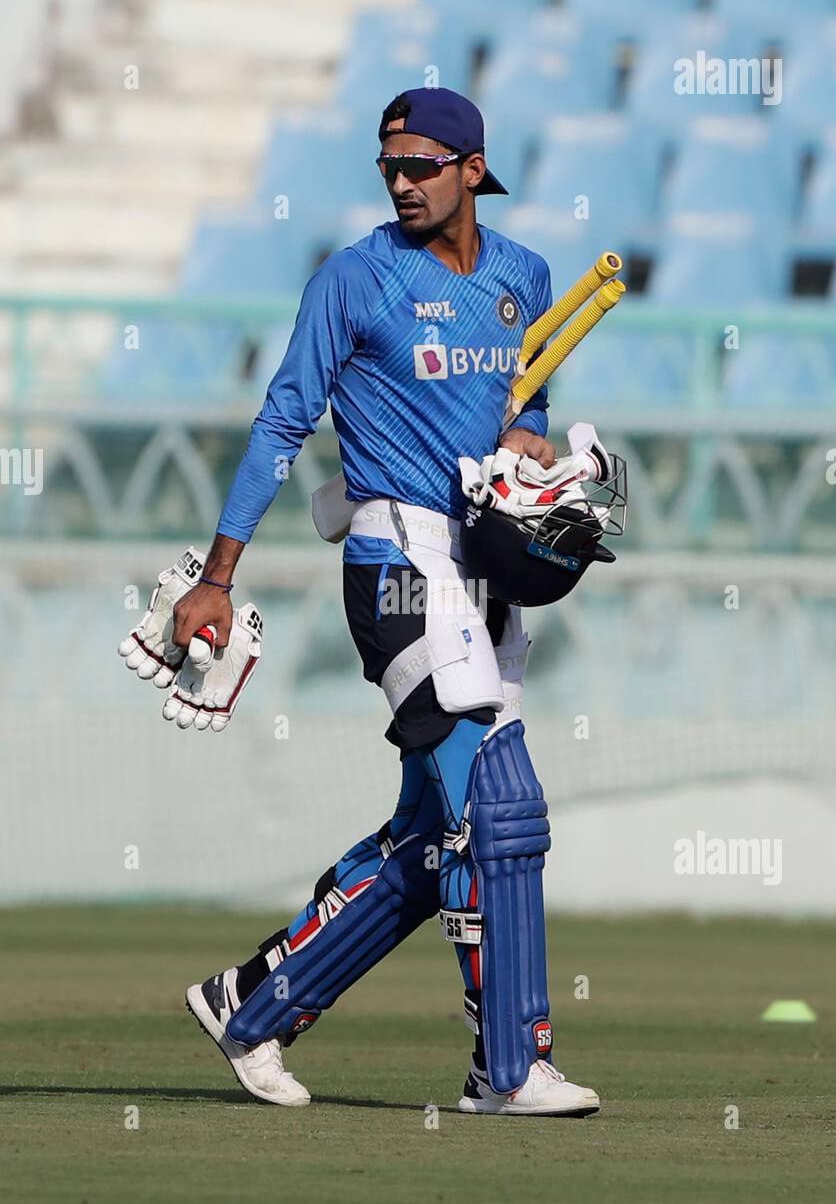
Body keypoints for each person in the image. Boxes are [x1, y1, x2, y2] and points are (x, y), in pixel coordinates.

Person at [177, 87, 600, 1116]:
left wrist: (531, 440)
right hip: (394, 566)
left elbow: (524, 401)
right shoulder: (353, 278)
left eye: (421, 165)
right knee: (497, 805)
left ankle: (252, 1003)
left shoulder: (523, 276)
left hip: (482, 569)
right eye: (390, 168)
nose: (404, 183)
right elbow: (282, 421)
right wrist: (217, 576)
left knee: (430, 841)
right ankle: (507, 1066)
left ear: (471, 169)